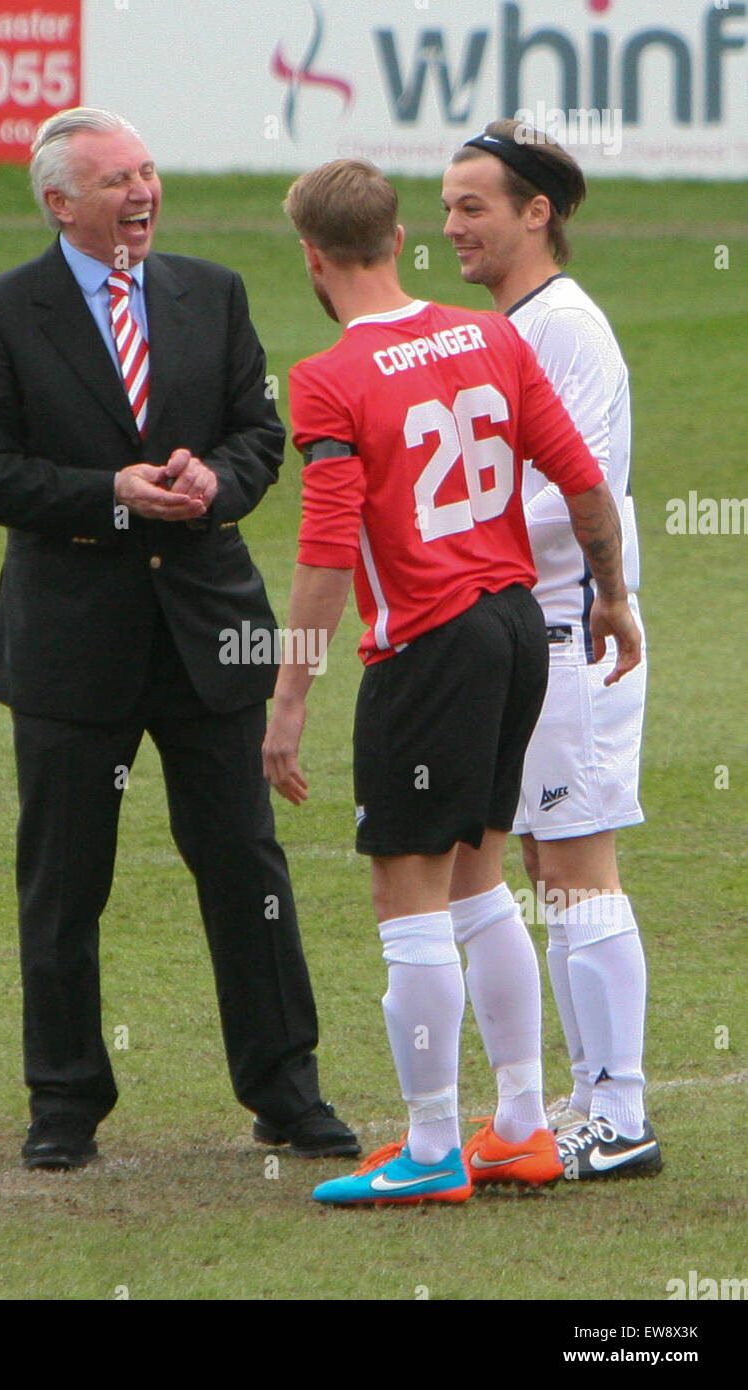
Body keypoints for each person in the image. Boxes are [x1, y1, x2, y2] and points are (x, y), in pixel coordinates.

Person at [0, 107, 357, 1170]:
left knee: (244, 863)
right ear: (59, 203)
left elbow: (261, 434)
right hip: (71, 650)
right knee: (64, 879)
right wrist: (109, 493)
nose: (143, 193)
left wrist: (221, 479)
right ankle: (64, 1103)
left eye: (149, 171)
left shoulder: (210, 293)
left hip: (209, 636)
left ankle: (286, 1088)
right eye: (118, 179)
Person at [262, 158, 641, 1206]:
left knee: (407, 898)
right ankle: (518, 1124)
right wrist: (608, 595)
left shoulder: (329, 376)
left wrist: (288, 696)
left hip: (428, 648)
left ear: (312, 256)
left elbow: (329, 549)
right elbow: (579, 475)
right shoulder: (491, 334)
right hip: (521, 628)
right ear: (395, 237)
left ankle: (430, 1146)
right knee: (478, 879)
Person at [442, 121, 660, 1180]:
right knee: (546, 866)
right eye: (444, 207)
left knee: (578, 867)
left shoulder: (565, 328)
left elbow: (570, 494)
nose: (451, 227)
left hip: (572, 629)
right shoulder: (512, 324)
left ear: (537, 212)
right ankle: (587, 1099)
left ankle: (620, 1116)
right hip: (527, 633)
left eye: (472, 205)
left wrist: (435, 536)